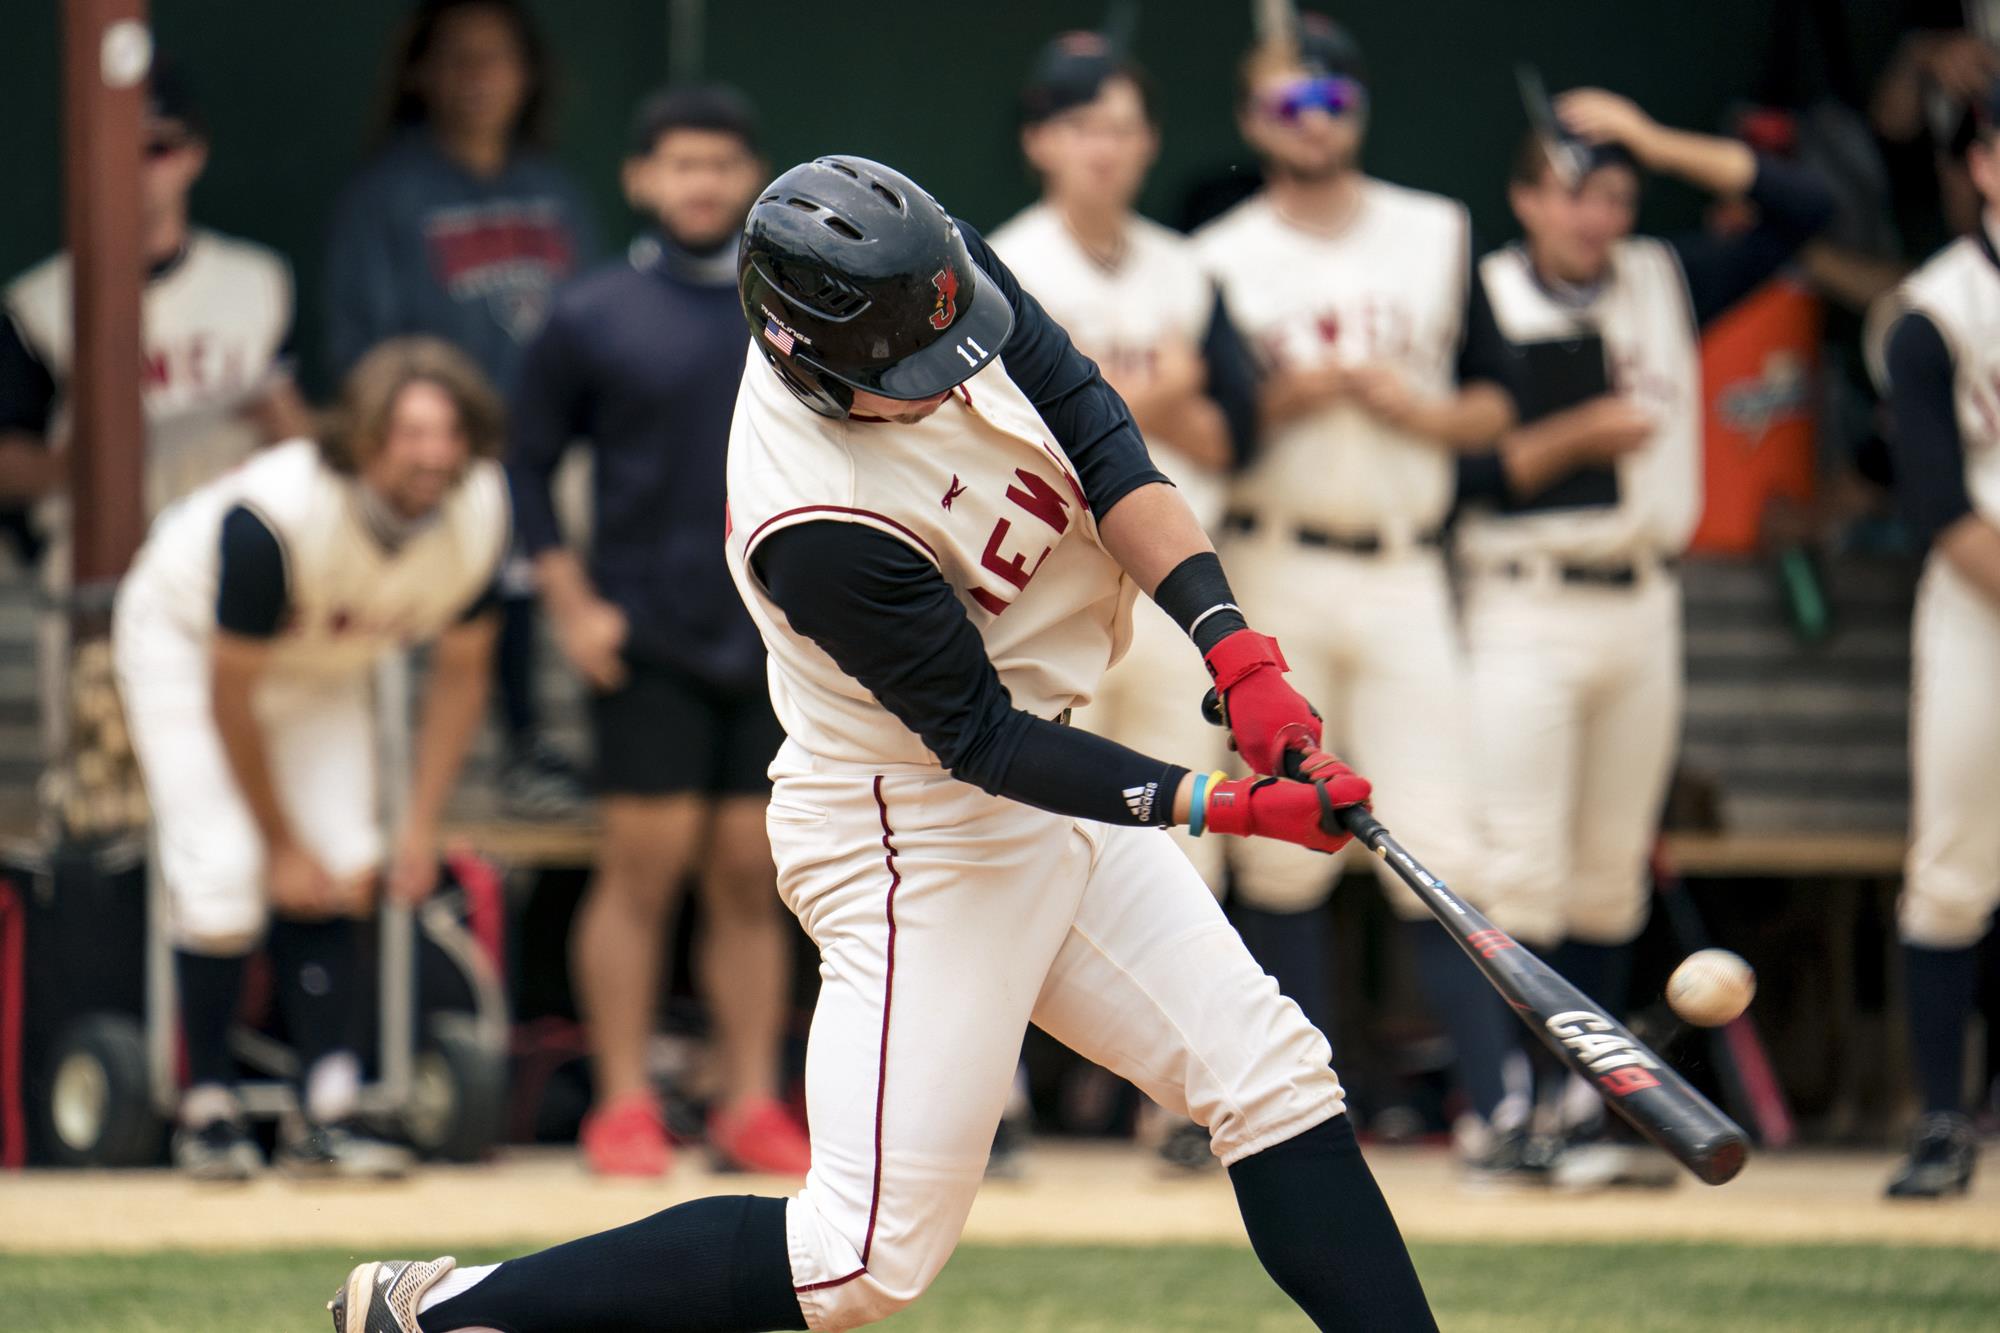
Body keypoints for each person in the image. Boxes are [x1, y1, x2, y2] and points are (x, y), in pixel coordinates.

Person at [328, 156, 1438, 1333]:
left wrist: (1235, 651)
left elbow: (1100, 439)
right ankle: (444, 1312)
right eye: (911, 379)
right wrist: (1223, 805)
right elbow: (979, 741)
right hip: (914, 829)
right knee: (854, 1262)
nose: (953, 386)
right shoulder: (809, 520)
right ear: (808, 366)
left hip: (1046, 775)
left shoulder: (925, 270)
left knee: (1270, 1081)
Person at [1454, 87, 1834, 1185]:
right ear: (1525, 198)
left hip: (1641, 598)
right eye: (1572, 192)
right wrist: (1568, 432)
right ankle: (1508, 1109)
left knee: (1607, 874)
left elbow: (1800, 209)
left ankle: (1576, 1112)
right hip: (1524, 594)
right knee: (1518, 868)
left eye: (1613, 194)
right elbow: (1451, 470)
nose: (1593, 216)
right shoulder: (1478, 295)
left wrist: (1654, 137)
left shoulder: (1663, 279)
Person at [1190, 12, 1518, 1162]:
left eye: (1327, 101)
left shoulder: (1433, 231)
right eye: (1285, 103)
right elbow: (1207, 428)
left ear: (1357, 110)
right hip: (1272, 554)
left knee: (1439, 834)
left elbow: (1496, 406)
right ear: (1249, 120)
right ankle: (1300, 1111)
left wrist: (1416, 411)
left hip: (1401, 560)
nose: (1308, 121)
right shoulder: (1217, 253)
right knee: (1277, 844)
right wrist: (1288, 395)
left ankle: (1499, 1112)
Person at [113, 336, 510, 1181]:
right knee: (223, 872)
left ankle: (325, 1109)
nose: (432, 454)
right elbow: (230, 693)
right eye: (410, 432)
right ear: (365, 436)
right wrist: (279, 842)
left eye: (448, 434)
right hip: (193, 646)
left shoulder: (481, 512)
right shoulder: (276, 516)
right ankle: (209, 1107)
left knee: (350, 865)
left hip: (324, 659)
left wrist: (420, 825)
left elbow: (463, 673)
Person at [509, 85, 809, 1178]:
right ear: (640, 179)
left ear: (754, 179)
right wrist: (571, 605)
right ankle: (626, 1104)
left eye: (721, 165)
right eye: (678, 164)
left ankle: (748, 1102)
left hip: (774, 634)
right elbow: (525, 465)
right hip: (643, 633)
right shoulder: (591, 313)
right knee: (640, 869)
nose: (700, 184)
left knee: (747, 873)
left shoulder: (795, 310)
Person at [988, 27, 1259, 1175]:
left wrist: (1166, 401)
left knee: (1183, 831)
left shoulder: (1185, 269)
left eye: (1121, 125)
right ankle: (989, 1096)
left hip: (1160, 582)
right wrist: (1147, 394)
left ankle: (1182, 1101)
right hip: (1040, 592)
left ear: (1148, 140)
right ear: (1039, 140)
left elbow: (1228, 433)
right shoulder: (999, 261)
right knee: (1008, 828)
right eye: (1080, 125)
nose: (1105, 148)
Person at [325, 0, 598, 818]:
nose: (480, 79)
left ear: (527, 76)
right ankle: (509, 748)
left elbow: (591, 334)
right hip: (441, 456)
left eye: (497, 59)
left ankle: (582, 749)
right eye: (459, 59)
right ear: (422, 74)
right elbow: (361, 357)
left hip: (550, 453)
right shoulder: (388, 196)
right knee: (487, 524)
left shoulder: (552, 192)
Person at [0, 59, 310, 564]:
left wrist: (288, 426)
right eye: (118, 147)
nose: (135, 166)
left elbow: (295, 431)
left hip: (232, 555)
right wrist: (85, 465)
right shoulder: (37, 304)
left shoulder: (258, 281)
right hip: (99, 563)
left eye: (157, 148)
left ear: (195, 156)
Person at [1867, 79, 2000, 1200]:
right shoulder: (1936, 307)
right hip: (1977, 608)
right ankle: (1942, 1121)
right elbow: (1940, 508)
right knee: (1953, 867)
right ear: (1982, 165)